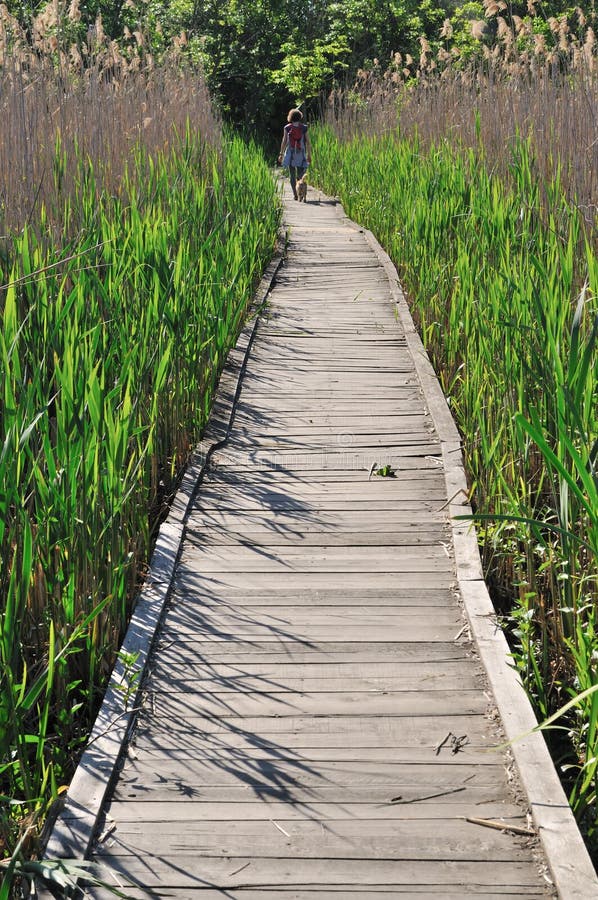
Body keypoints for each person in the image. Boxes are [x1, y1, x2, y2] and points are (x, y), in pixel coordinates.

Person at [277, 108, 312, 200]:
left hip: (291, 153)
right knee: (301, 173)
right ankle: (301, 190)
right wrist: (309, 155)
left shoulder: (287, 128)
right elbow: (308, 142)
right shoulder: (304, 128)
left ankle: (295, 194)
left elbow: (284, 141)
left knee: (292, 174)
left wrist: (281, 154)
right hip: (300, 153)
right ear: (300, 117)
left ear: (290, 117)